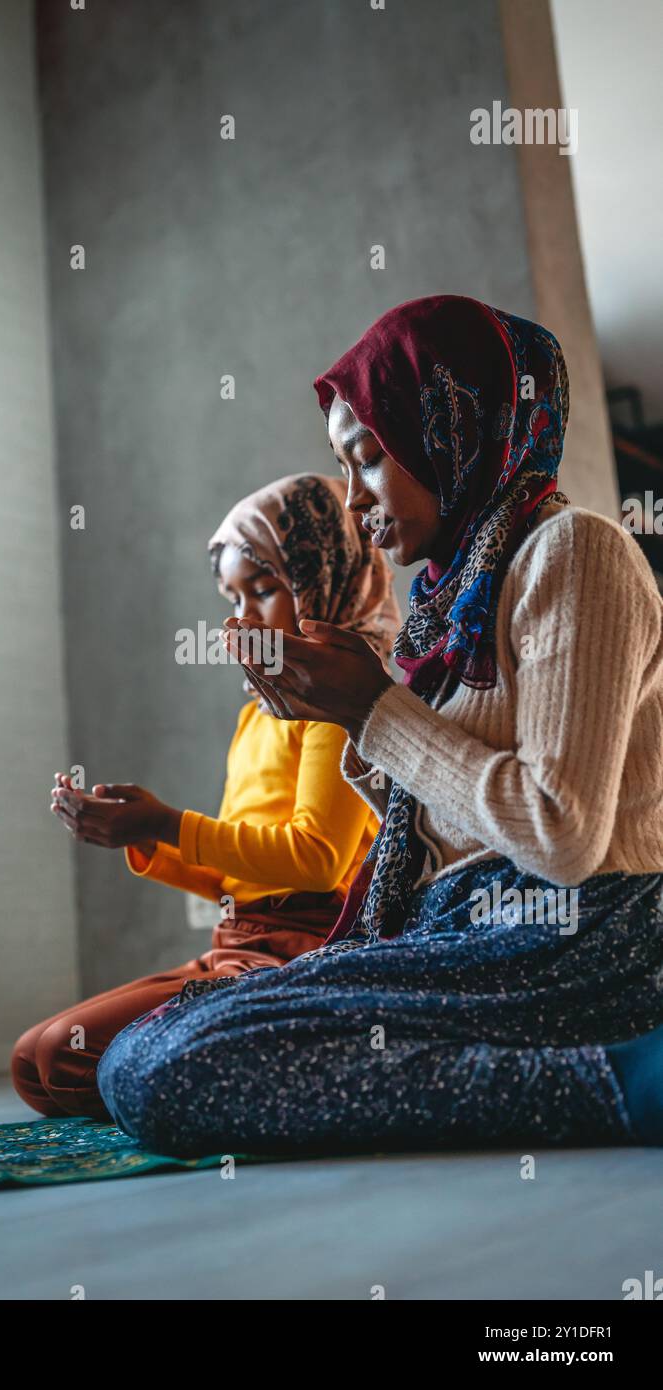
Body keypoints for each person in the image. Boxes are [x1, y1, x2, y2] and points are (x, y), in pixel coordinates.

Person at [96, 294, 663, 1155]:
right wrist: (348, 716)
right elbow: (443, 815)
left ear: (448, 426)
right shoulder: (449, 603)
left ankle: (627, 1082)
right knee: (136, 1053)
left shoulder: (572, 551)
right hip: (462, 929)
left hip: (574, 932)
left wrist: (371, 709)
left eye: (366, 459)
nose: (357, 500)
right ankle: (604, 1072)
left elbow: (561, 833)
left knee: (175, 1069)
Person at [11, 473, 399, 1118]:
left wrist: (170, 821)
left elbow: (314, 863)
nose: (241, 618)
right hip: (237, 939)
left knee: (65, 1058)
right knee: (34, 1061)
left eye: (265, 588)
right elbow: (242, 874)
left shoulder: (342, 703)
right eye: (230, 595)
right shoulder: (260, 715)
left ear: (325, 576)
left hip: (301, 949)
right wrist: (149, 834)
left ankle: (282, 1057)